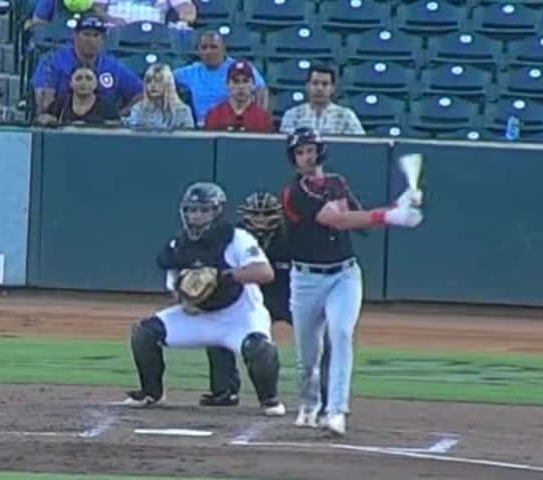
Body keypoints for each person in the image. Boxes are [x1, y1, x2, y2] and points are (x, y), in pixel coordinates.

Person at [279, 127, 421, 436]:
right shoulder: (294, 193)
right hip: (306, 280)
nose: (307, 157)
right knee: (308, 356)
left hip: (344, 274)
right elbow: (339, 221)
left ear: (320, 151)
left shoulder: (337, 183)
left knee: (341, 334)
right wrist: (391, 216)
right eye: (300, 152)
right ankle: (309, 404)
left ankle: (337, 411)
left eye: (310, 150)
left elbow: (359, 220)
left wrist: (401, 203)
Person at [121, 182, 288, 417]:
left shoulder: (237, 238)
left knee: (260, 349)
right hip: (200, 316)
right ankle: (151, 393)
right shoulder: (178, 244)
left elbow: (264, 273)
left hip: (239, 316)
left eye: (204, 210)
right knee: (144, 333)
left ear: (216, 211)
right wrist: (186, 300)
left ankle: (269, 399)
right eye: (192, 210)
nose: (197, 215)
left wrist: (223, 276)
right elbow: (175, 285)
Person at [200, 191, 330, 412]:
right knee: (217, 330)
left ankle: (326, 396)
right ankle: (224, 391)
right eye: (255, 214)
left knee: (324, 337)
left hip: (290, 295)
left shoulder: (292, 234)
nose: (260, 220)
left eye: (266, 214)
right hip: (249, 297)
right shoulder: (233, 237)